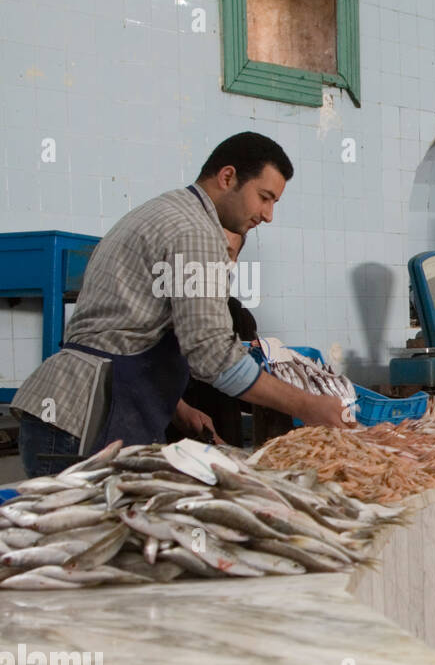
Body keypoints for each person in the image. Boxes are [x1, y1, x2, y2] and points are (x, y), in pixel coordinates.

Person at [14, 132, 346, 477]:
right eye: (264, 197)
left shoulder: (166, 211)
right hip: (82, 427)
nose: (268, 215)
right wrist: (307, 404)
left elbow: (124, 332)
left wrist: (179, 409)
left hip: (68, 419)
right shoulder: (195, 232)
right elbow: (214, 355)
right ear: (227, 177)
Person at [167, 228, 260, 446]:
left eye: (226, 252)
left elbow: (247, 395)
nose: (214, 259)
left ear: (235, 260)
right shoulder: (160, 310)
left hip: (223, 443)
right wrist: (178, 409)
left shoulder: (239, 315)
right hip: (166, 443)